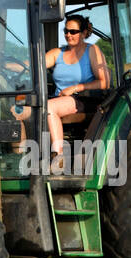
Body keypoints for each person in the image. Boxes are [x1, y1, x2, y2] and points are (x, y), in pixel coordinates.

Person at [45, 15, 109, 172]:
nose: (68, 35)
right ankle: (17, 158)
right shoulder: (58, 52)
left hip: (82, 98)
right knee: (18, 111)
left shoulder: (92, 51)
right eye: (66, 31)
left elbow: (104, 82)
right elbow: (33, 65)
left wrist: (76, 88)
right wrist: (11, 64)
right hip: (60, 99)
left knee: (48, 107)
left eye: (73, 31)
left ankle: (58, 158)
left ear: (84, 33)